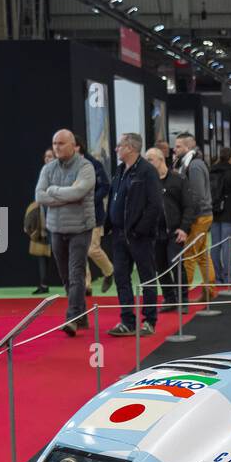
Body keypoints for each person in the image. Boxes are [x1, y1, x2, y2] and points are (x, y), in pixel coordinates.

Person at [36, 130, 96, 337]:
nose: (57, 147)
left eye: (61, 143)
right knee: (65, 276)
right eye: (54, 143)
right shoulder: (48, 168)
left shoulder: (86, 167)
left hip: (80, 228)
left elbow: (79, 192)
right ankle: (82, 316)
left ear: (73, 145)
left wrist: (53, 191)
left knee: (76, 274)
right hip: (56, 229)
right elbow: (39, 196)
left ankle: (71, 318)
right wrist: (66, 195)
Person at [104, 132, 163, 336]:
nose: (116, 149)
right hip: (119, 235)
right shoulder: (120, 170)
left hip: (139, 237)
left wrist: (139, 230)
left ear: (130, 148)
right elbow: (114, 198)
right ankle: (127, 321)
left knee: (147, 278)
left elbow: (155, 205)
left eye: (119, 145)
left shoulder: (147, 171)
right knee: (121, 278)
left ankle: (149, 321)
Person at [174, 132, 217, 303]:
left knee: (189, 255)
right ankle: (209, 291)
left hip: (199, 216)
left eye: (178, 146)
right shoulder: (191, 163)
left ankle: (183, 295)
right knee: (201, 255)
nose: (175, 149)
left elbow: (197, 195)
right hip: (201, 215)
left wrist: (188, 219)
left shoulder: (194, 166)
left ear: (187, 147)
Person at [145, 147, 186, 312]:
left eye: (150, 159)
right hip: (155, 232)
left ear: (161, 159)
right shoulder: (148, 182)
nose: (147, 163)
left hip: (175, 231)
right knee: (160, 267)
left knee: (176, 264)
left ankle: (183, 300)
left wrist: (184, 228)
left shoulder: (178, 179)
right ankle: (169, 298)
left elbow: (189, 206)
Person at [75, 134, 115, 294]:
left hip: (94, 214)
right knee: (79, 250)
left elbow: (105, 186)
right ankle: (86, 285)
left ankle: (109, 271)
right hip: (74, 215)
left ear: (77, 147)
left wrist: (91, 200)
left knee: (92, 249)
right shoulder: (66, 166)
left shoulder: (94, 163)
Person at [209, 147, 231, 291]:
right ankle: (230, 277)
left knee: (215, 246)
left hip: (214, 212)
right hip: (230, 213)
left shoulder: (212, 170)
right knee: (227, 246)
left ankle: (217, 277)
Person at [31, 148, 55, 294]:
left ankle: (72, 284)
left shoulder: (59, 173)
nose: (47, 159)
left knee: (62, 254)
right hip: (42, 221)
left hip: (57, 221)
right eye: (46, 156)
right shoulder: (43, 174)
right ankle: (43, 285)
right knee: (41, 254)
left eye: (50, 156)